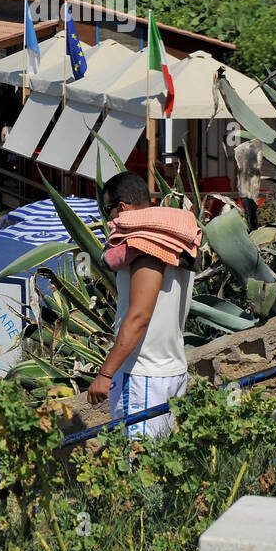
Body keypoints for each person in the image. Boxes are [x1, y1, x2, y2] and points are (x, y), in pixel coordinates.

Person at [87, 171, 198, 439]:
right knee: (161, 469)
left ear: (122, 207)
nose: (108, 219)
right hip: (171, 372)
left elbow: (139, 317)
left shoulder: (144, 243)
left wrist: (105, 373)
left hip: (143, 376)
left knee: (138, 471)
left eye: (107, 210)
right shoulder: (177, 240)